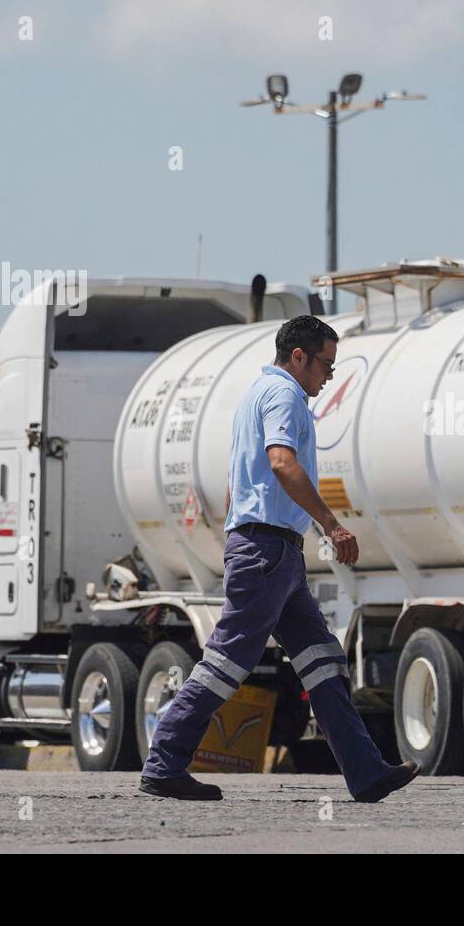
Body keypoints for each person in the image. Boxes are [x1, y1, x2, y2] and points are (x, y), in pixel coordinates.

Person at [139, 315, 419, 802]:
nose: (328, 376)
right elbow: (280, 461)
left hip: (275, 553)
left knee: (322, 661)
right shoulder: (284, 395)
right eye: (325, 365)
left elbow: (236, 481)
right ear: (298, 357)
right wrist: (331, 525)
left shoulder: (255, 396)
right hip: (267, 552)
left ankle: (366, 772)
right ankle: (163, 762)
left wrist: (240, 539)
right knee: (227, 662)